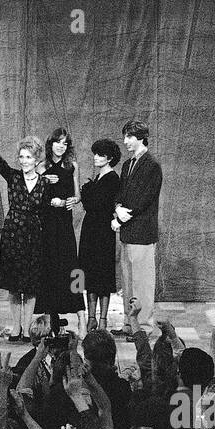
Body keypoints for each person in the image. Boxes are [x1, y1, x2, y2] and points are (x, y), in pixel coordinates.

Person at [0, 123, 47, 343]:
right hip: (13, 233)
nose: (24, 161)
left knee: (30, 287)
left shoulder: (44, 183)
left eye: (28, 157)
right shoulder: (12, 177)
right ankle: (16, 327)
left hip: (33, 235)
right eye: (21, 157)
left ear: (37, 159)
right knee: (14, 287)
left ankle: (27, 329)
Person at [114, 120, 162, 337]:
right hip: (127, 233)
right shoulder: (127, 165)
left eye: (129, 137)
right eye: (125, 137)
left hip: (142, 233)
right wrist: (117, 209)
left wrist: (124, 216)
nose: (125, 142)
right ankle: (128, 322)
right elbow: (121, 193)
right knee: (128, 282)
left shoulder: (152, 165)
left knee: (142, 283)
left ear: (141, 137)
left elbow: (145, 198)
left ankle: (143, 326)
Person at [35, 128, 83, 331]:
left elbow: (78, 194)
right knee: (49, 270)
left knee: (74, 270)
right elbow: (35, 196)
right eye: (57, 142)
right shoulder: (41, 166)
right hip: (46, 226)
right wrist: (45, 183)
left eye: (64, 143)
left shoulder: (72, 166)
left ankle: (82, 320)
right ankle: (51, 319)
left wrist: (74, 200)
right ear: (51, 144)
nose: (61, 146)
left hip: (65, 225)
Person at [78, 139, 121, 330]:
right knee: (89, 274)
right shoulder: (97, 178)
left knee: (103, 274)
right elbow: (89, 203)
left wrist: (87, 194)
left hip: (104, 230)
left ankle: (102, 319)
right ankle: (91, 317)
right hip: (90, 229)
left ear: (110, 158)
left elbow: (97, 204)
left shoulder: (113, 179)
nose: (95, 157)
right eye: (95, 154)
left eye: (100, 154)